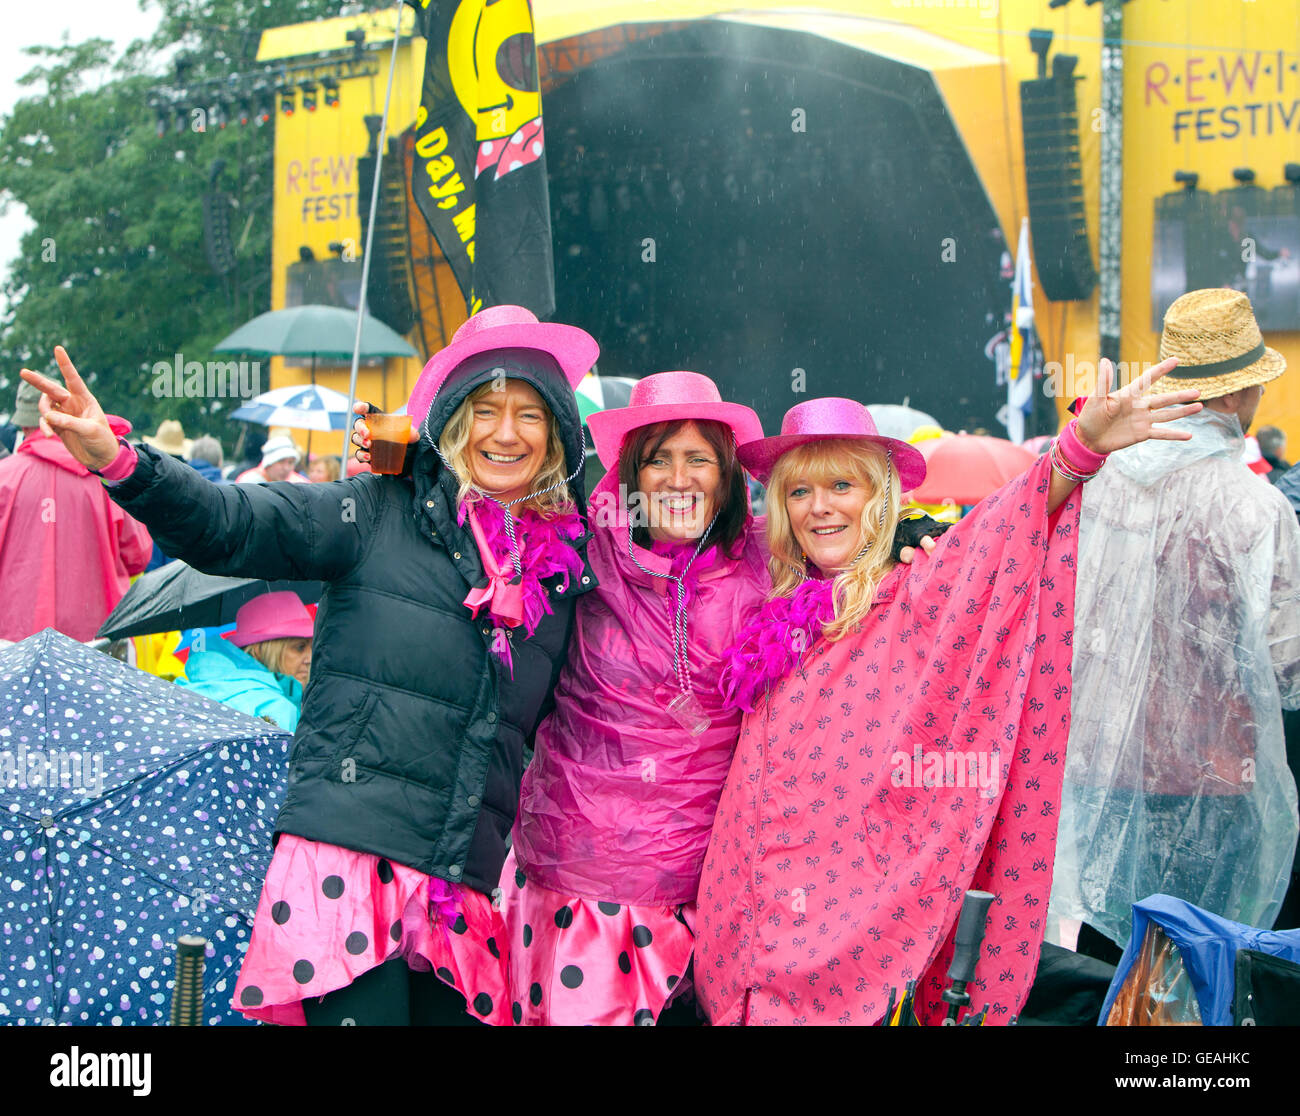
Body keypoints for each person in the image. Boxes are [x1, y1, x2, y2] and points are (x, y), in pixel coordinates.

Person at [20, 304, 599, 1026]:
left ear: (555, 439)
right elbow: (232, 524)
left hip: (464, 888)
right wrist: (120, 460)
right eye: (486, 409)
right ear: (453, 423)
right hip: (349, 870)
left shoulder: (562, 580)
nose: (505, 433)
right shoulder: (375, 513)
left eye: (529, 415)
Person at [694, 362, 1201, 1026]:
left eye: (841, 485)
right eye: (800, 492)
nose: (820, 507)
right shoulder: (773, 604)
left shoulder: (916, 584)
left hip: (843, 944)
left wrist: (1079, 449)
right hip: (747, 928)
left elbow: (996, 539)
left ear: (878, 496)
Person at [496, 371, 768, 1026]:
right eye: (659, 460)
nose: (679, 478)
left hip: (708, 891)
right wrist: (401, 465)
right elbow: (483, 512)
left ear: (728, 476)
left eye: (698, 458)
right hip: (576, 883)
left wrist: (902, 533)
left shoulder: (770, 561)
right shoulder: (580, 551)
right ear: (632, 477)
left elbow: (845, 539)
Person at [1050, 288, 1300, 957]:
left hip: (1100, 770)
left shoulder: (1097, 484)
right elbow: (1286, 667)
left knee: (1112, 958)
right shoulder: (1257, 508)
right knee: (1203, 970)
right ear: (1242, 393)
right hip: (1210, 783)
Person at [0, 378, 152, 643]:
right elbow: (137, 555)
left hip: (14, 643)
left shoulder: (5, 477)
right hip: (96, 642)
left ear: (23, 424)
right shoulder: (108, 476)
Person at [176, 592, 313, 730]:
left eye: (313, 647)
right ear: (258, 651)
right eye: (300, 647)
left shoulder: (187, 694)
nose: (310, 658)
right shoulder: (276, 708)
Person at [235, 435, 309, 484]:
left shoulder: (299, 485)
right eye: (281, 462)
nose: (286, 468)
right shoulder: (249, 482)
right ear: (268, 464)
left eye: (290, 462)